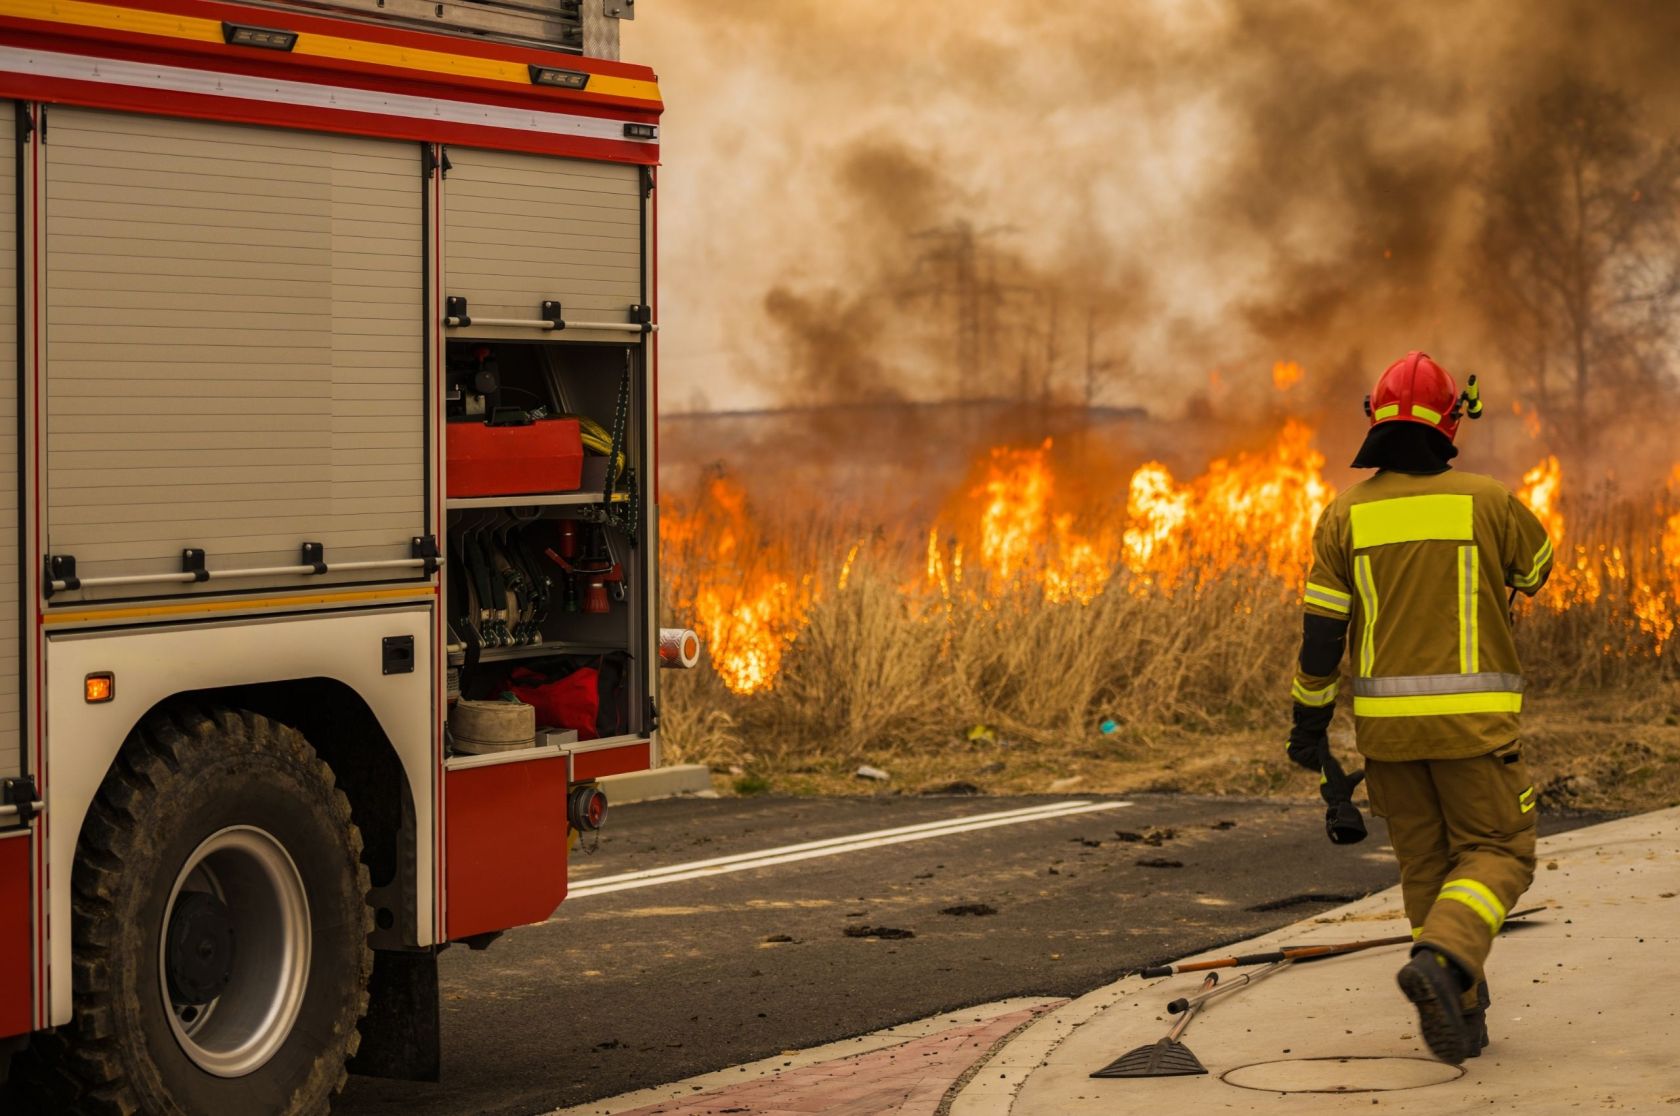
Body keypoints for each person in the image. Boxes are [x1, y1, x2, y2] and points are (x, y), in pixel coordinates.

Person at [1284, 351, 1554, 1064]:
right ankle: (1440, 961)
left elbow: (1321, 637)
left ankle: (1462, 1018)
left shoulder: (1343, 516)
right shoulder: (1487, 501)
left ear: (1375, 420)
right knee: (1500, 853)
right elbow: (1536, 569)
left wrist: (1309, 726)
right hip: (1474, 731)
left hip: (1387, 739)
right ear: (1452, 419)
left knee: (1428, 872)